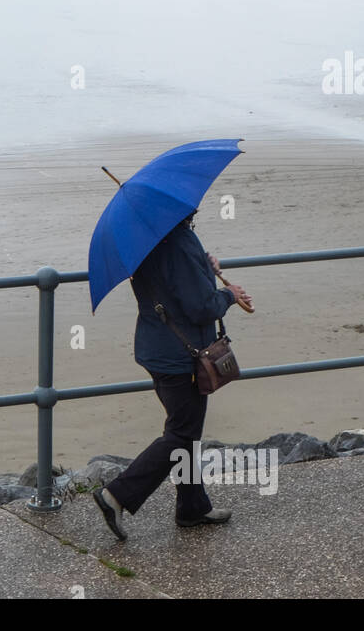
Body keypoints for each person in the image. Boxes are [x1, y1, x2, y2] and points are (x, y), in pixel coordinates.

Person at [93, 210, 252, 541]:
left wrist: (205, 270)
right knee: (180, 434)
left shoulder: (145, 243)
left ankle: (192, 506)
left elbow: (169, 286)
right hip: (182, 356)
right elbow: (201, 306)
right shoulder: (179, 241)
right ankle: (117, 495)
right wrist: (229, 295)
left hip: (158, 349)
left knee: (187, 432)